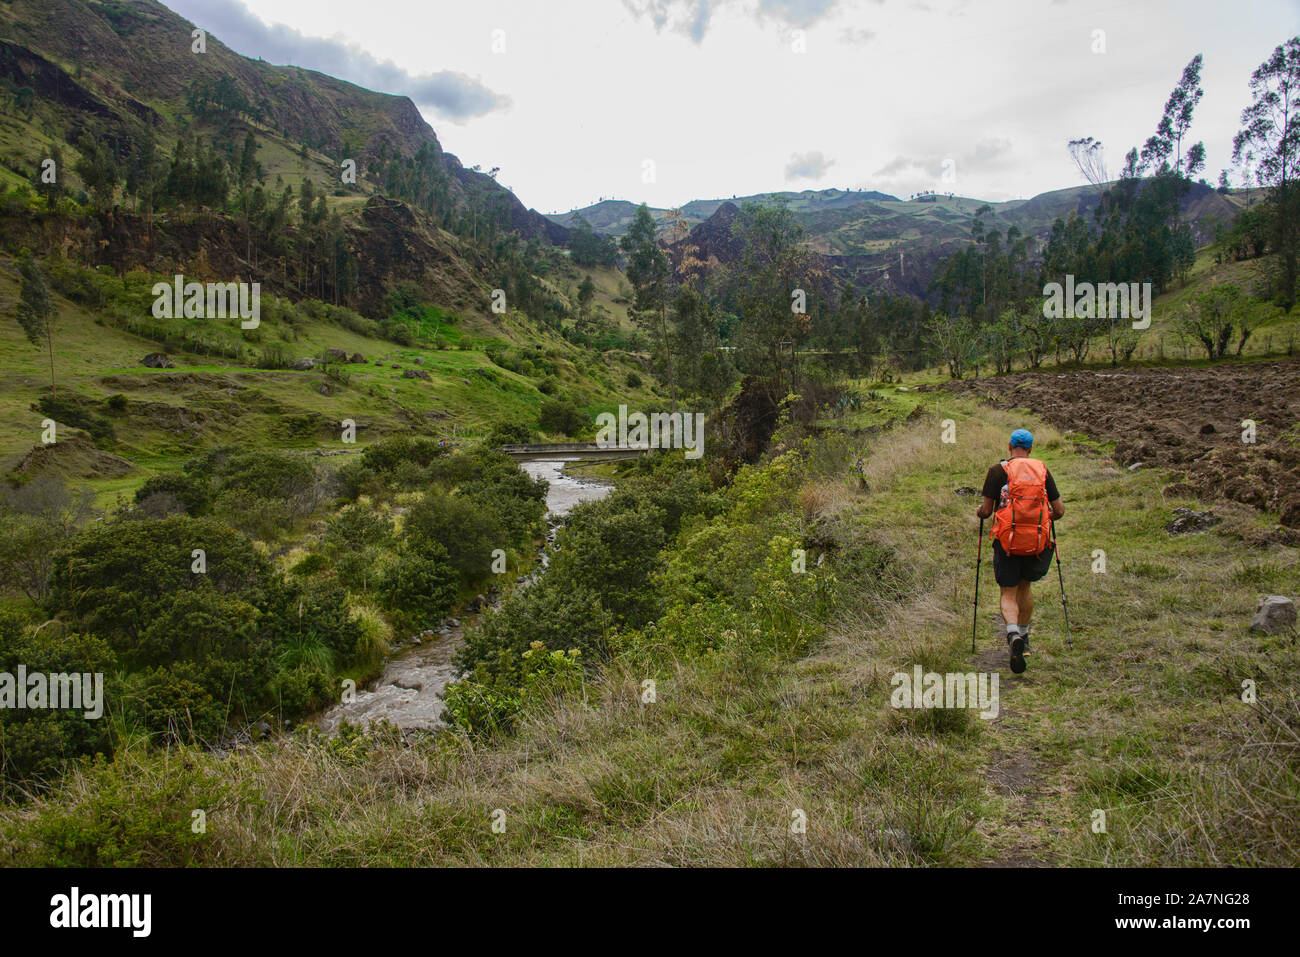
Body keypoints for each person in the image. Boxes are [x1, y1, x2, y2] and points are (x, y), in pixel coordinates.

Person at [975, 429, 1064, 674]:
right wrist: (1048, 518)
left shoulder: (997, 471)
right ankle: (1023, 639)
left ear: (1009, 446)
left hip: (1007, 543)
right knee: (1025, 588)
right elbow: (1059, 509)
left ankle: (1012, 632)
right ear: (1031, 449)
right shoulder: (1041, 470)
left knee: (1008, 592)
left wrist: (980, 513)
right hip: (1036, 544)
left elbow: (987, 510)